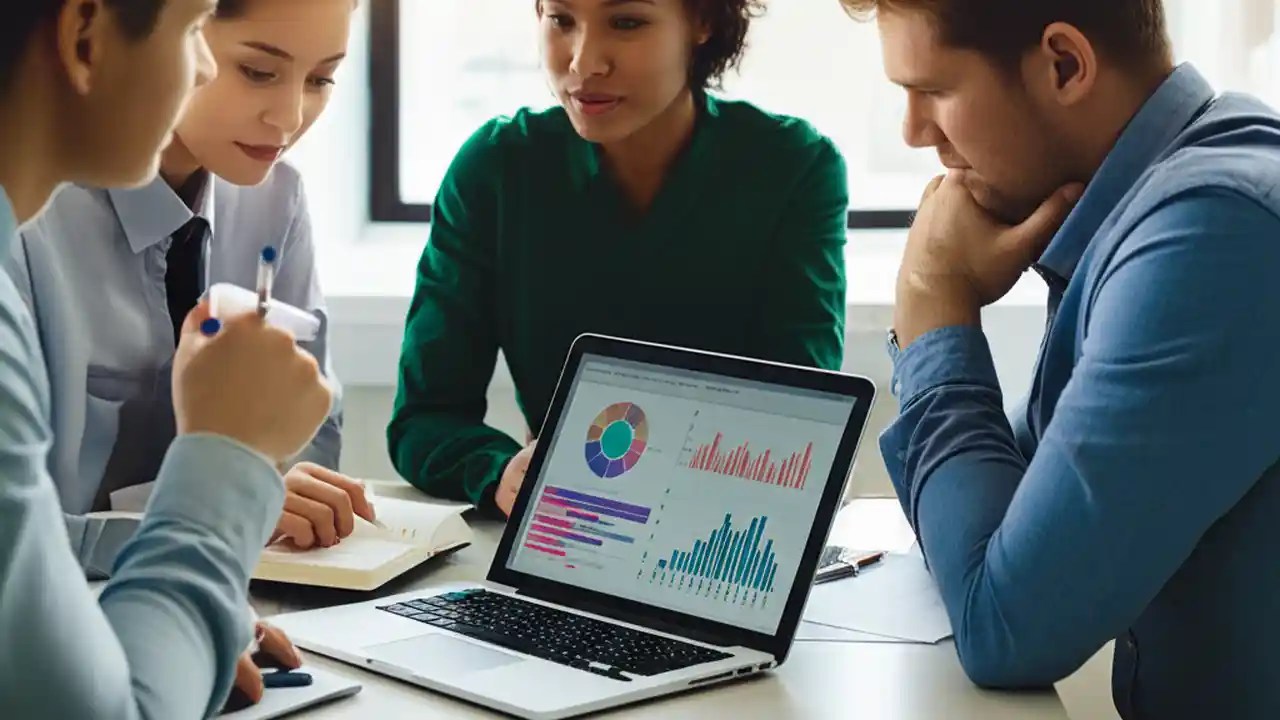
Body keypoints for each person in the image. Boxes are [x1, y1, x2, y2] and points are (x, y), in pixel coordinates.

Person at [840, 0, 1280, 717]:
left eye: (935, 92)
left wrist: (935, 299)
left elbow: (1007, 626)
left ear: (1064, 65)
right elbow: (988, 531)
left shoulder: (1213, 235)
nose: (914, 132)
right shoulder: (1153, 206)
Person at [0, 0, 333, 717]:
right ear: (85, 35)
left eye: (322, 78)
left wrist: (183, 605)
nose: (203, 67)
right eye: (192, 31)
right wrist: (225, 466)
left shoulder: (278, 199)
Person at [389, 0, 850, 518]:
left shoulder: (793, 168)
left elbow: (801, 421)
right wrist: (501, 471)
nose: (584, 63)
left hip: (720, 529)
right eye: (561, 20)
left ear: (703, 23)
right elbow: (424, 419)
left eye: (627, 22)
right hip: (566, 529)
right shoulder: (498, 168)